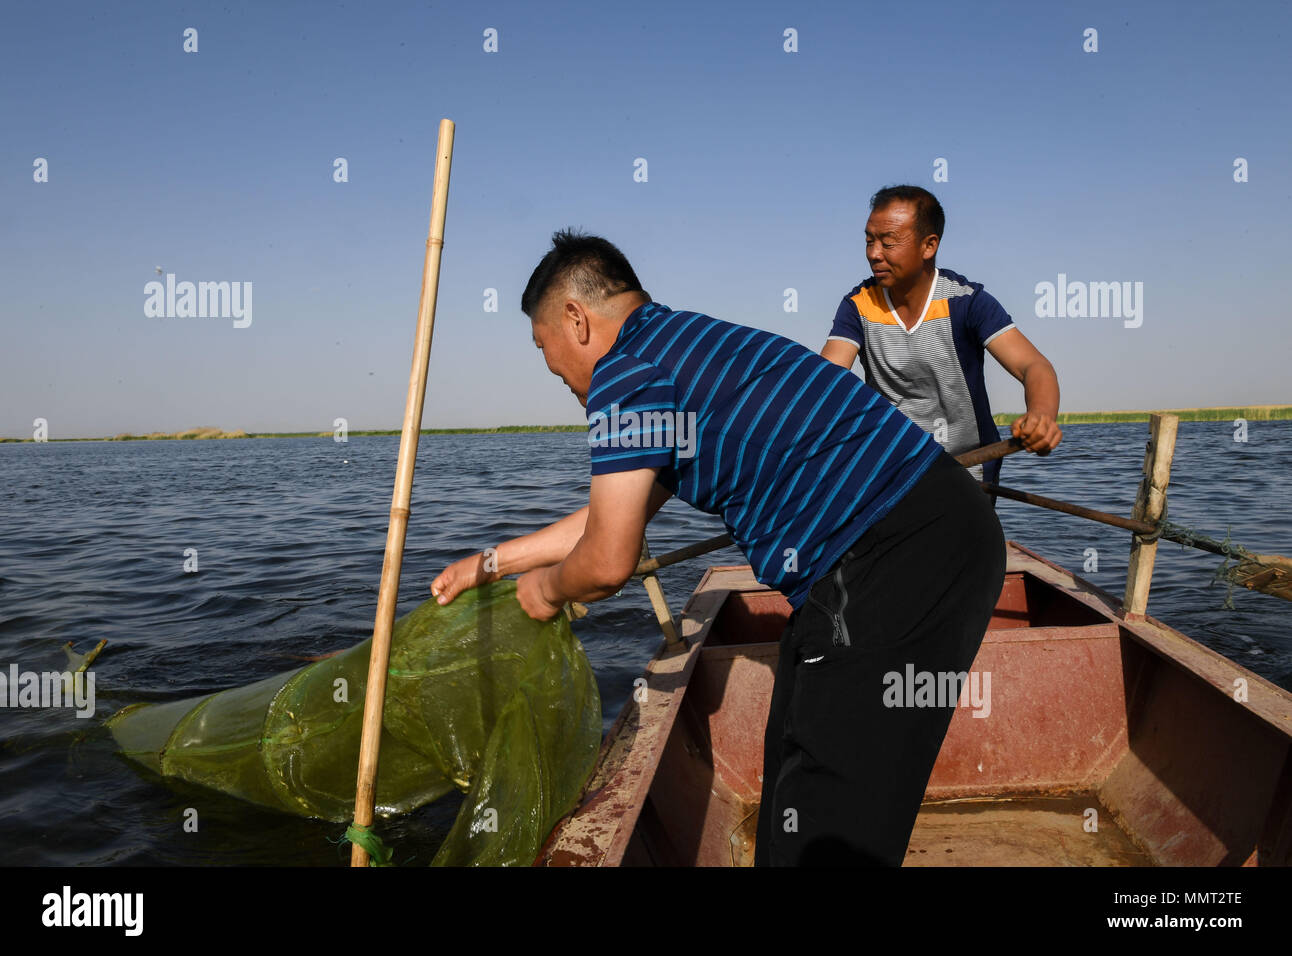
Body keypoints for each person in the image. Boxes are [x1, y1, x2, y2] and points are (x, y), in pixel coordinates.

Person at [430, 230, 1006, 866]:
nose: (560, 376)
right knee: (795, 763)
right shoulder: (676, 347)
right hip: (917, 541)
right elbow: (607, 519)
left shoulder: (627, 371)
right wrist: (491, 563)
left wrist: (542, 591)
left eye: (549, 354)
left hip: (894, 554)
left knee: (825, 831)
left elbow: (607, 561)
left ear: (576, 318)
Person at [820, 185, 1062, 486]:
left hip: (969, 469)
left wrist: (1041, 415)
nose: (874, 254)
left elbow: (1033, 366)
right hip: (892, 470)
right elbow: (825, 381)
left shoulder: (966, 301)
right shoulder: (858, 305)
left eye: (888, 242)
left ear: (929, 246)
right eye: (869, 241)